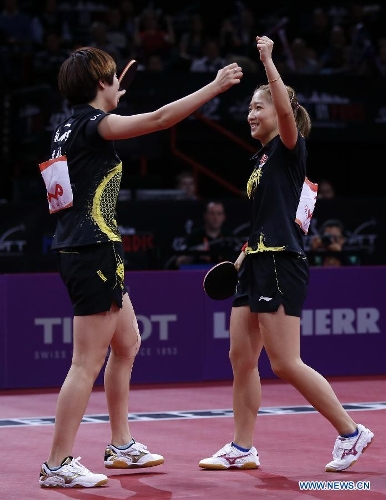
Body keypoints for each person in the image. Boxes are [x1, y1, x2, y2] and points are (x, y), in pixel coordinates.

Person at [38, 46, 243, 488]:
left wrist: (108, 102)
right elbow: (159, 120)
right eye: (112, 80)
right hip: (91, 250)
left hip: (92, 249)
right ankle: (57, 464)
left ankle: (121, 445)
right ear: (100, 84)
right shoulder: (94, 127)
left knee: (128, 343)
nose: (117, 86)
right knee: (84, 363)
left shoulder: (67, 127)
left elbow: (95, 136)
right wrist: (215, 85)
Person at [198, 35, 373, 473]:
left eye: (257, 108)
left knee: (284, 362)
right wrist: (240, 259)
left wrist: (269, 61)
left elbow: (284, 110)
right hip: (254, 261)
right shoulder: (259, 161)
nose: (250, 115)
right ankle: (242, 447)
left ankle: (352, 432)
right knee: (241, 358)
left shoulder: (290, 149)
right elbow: (264, 220)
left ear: (279, 111)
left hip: (281, 262)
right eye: (249, 110)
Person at [175, 200, 235, 268]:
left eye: (219, 213)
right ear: (205, 216)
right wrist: (195, 254)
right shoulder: (194, 236)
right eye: (212, 213)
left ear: (224, 217)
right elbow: (178, 262)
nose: (215, 218)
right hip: (198, 274)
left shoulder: (230, 237)